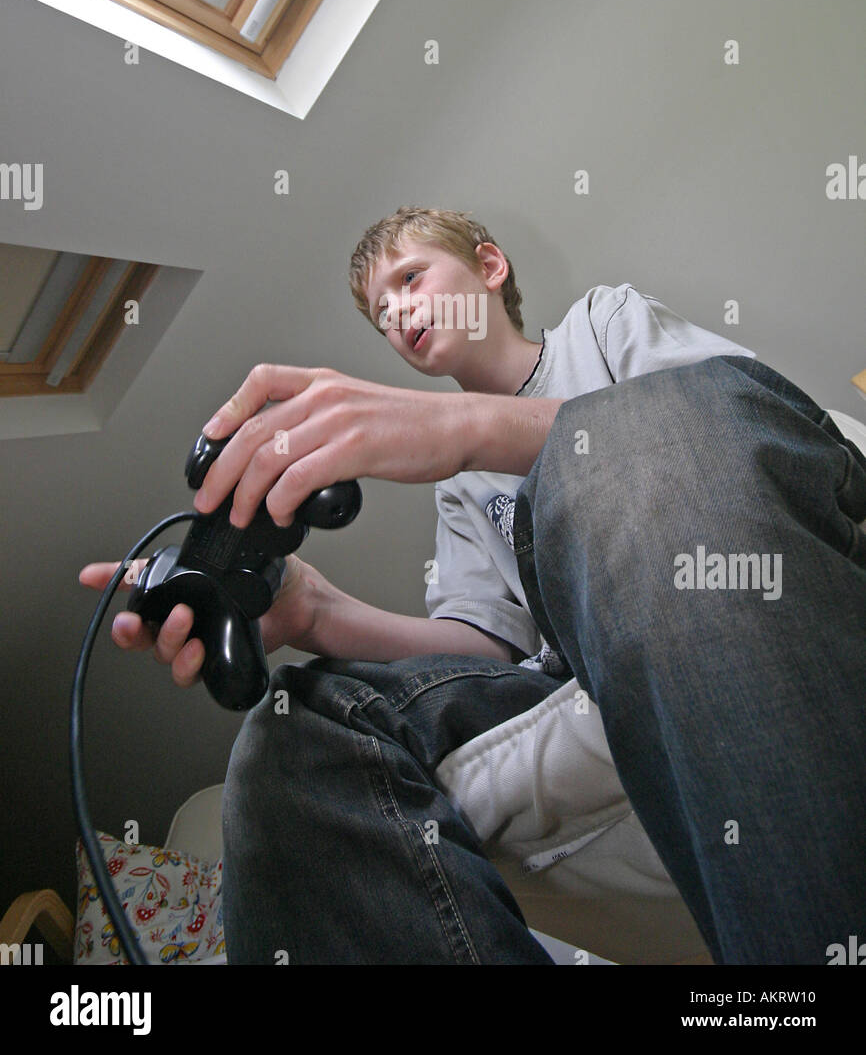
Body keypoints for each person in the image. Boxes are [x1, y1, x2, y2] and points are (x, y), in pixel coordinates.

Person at [80, 206, 866, 965]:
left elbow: (750, 430)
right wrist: (314, 610)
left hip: (714, 549)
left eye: (412, 279)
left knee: (636, 446)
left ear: (489, 265)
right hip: (568, 666)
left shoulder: (603, 323)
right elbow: (488, 649)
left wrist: (465, 429)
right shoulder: (458, 495)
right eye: (381, 312)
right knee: (290, 737)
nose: (397, 314)